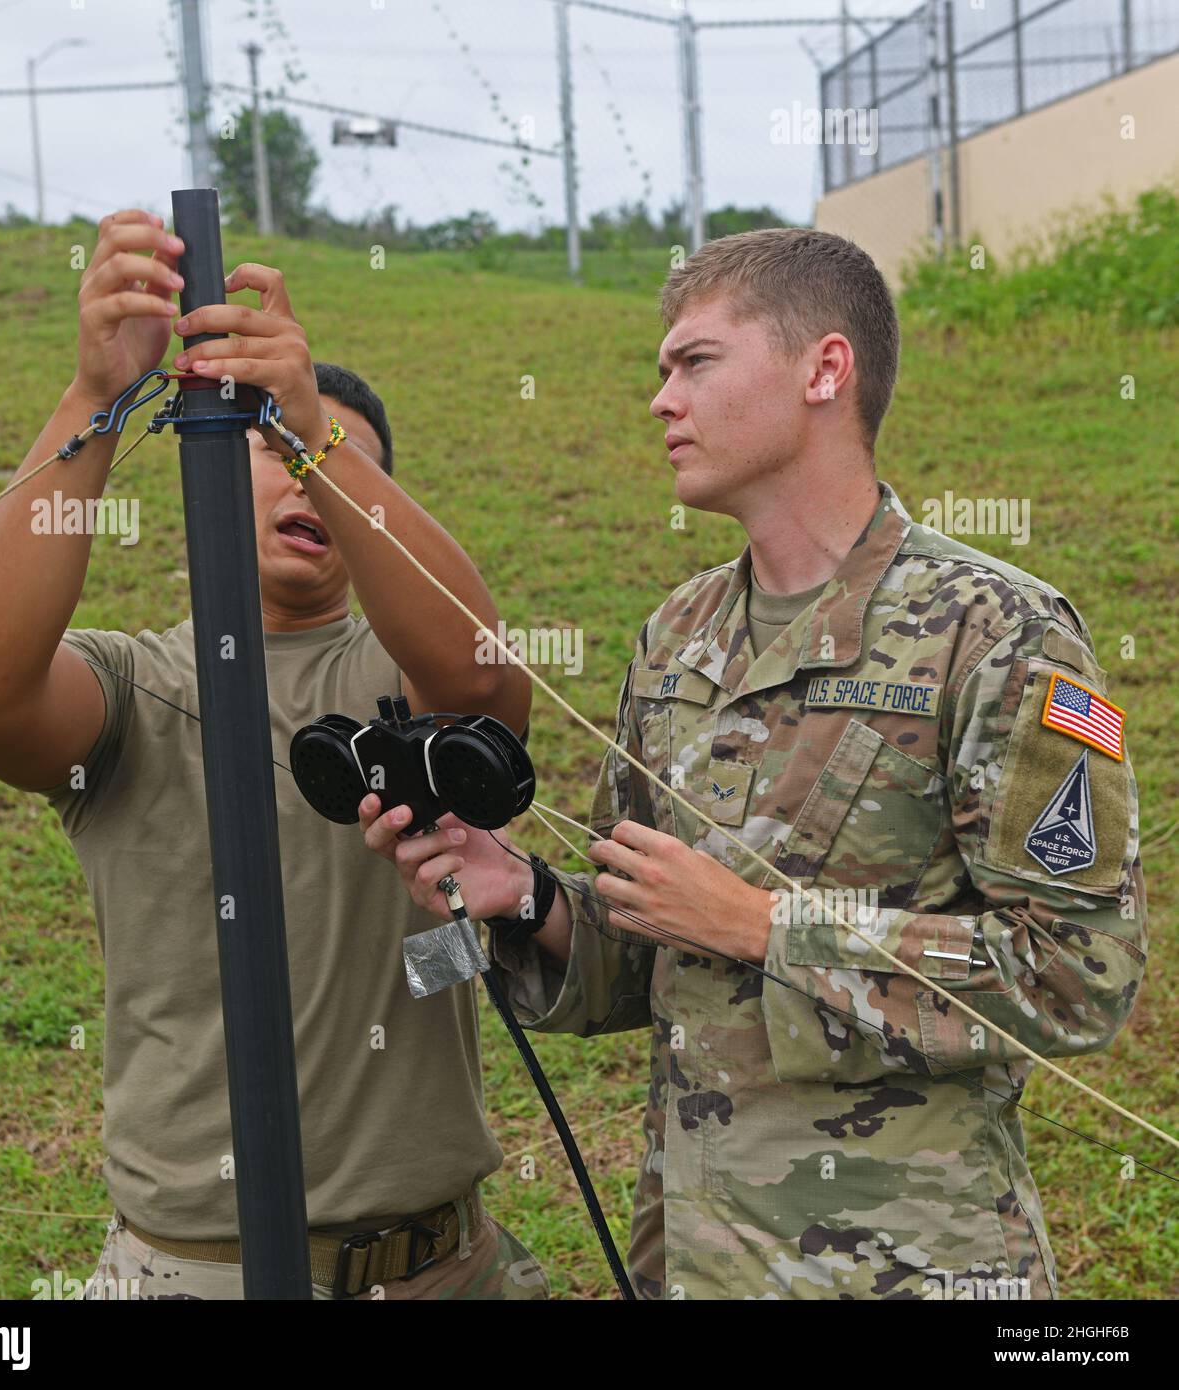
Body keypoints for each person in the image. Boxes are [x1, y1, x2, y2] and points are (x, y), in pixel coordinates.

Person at [357, 227, 1147, 1301]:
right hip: (691, 1264)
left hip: (907, 1271)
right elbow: (645, 955)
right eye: (661, 371)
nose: (660, 401)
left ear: (825, 369)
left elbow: (1076, 976)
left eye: (696, 362)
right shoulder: (676, 637)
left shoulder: (1001, 632)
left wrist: (767, 926)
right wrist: (526, 895)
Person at [0, 208, 545, 1300]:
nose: (301, 473)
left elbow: (485, 679)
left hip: (441, 1268)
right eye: (267, 448)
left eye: (326, 456)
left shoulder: (410, 680)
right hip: (194, 1273)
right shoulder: (136, 690)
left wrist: (312, 429)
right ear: (210, 475)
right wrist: (95, 399)